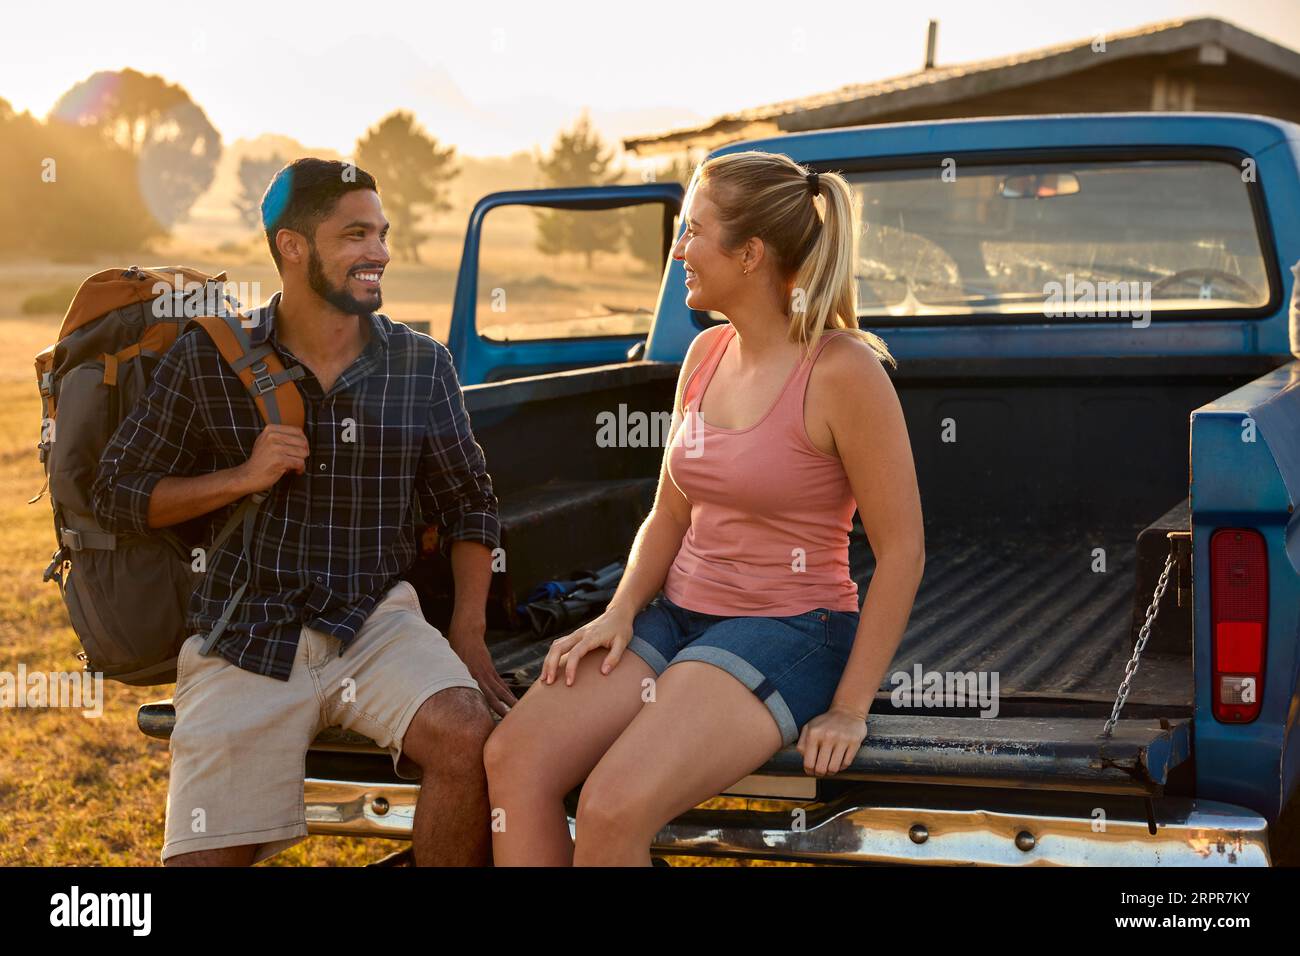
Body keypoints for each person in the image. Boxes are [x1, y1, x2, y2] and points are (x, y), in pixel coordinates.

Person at [484, 150, 926, 866]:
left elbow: (903, 549)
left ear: (750, 254)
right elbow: (669, 512)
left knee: (611, 807)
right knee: (514, 758)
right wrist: (621, 609)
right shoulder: (706, 354)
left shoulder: (844, 370)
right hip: (678, 615)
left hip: (790, 627)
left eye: (694, 231)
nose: (679, 249)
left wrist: (850, 705)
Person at [92, 158, 515, 866]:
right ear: (293, 246)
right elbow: (118, 492)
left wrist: (468, 635)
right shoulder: (210, 358)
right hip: (244, 633)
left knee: (467, 735)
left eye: (381, 233)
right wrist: (240, 477)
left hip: (376, 621)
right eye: (355, 234)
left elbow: (471, 502)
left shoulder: (421, 364)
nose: (378, 252)